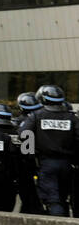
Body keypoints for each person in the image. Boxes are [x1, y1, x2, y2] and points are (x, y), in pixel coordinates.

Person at [19, 84, 78, 216]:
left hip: (46, 164)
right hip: (67, 165)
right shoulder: (71, 118)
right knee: (63, 198)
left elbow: (24, 135)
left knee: (53, 199)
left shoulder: (36, 116)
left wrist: (30, 157)